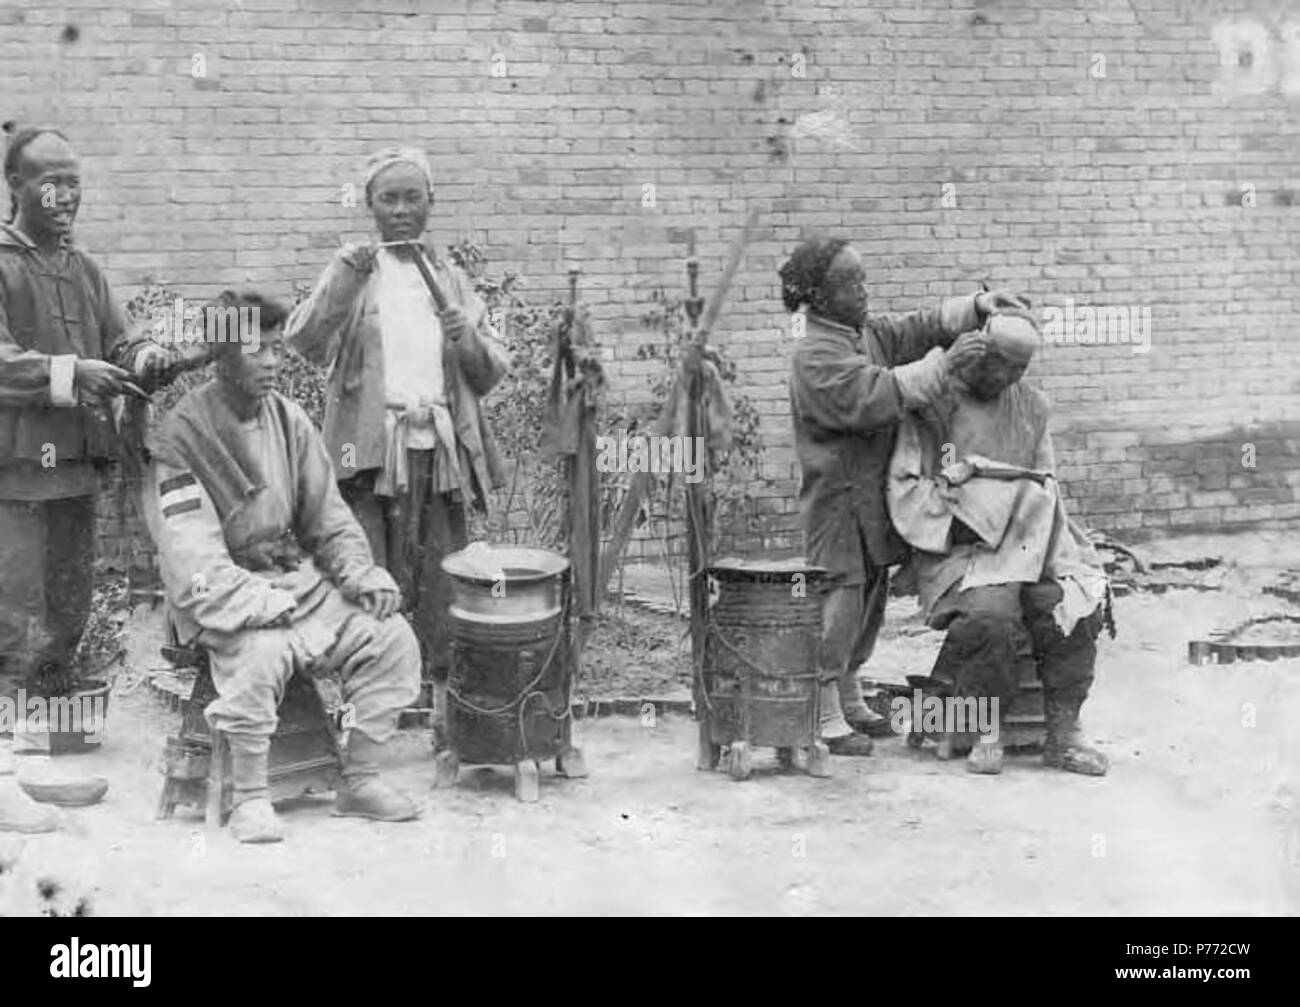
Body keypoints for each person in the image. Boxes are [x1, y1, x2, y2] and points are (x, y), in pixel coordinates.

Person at [143, 292, 423, 843]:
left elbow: (328, 518)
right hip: (217, 594)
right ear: (222, 356)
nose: (272, 361)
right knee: (262, 651)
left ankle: (359, 779)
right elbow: (188, 552)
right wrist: (257, 601)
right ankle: (249, 796)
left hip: (291, 582)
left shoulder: (288, 420)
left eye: (276, 348)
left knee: (390, 637)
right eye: (256, 349)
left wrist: (359, 573)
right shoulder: (182, 437)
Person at [285, 147, 509, 744]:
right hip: (368, 458)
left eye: (414, 198)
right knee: (368, 580)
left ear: (431, 204)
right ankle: (364, 724)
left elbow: (488, 375)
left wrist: (466, 340)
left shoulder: (453, 280)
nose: (402, 210)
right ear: (370, 206)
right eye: (390, 198)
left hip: (439, 456)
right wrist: (341, 274)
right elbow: (304, 340)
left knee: (443, 580)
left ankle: (445, 718)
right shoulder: (358, 273)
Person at [782, 236, 1027, 757]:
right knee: (839, 602)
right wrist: (948, 364)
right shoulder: (814, 354)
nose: (864, 291)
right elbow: (877, 396)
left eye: (863, 279)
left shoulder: (859, 333)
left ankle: (849, 696)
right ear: (819, 296)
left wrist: (975, 306)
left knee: (869, 599)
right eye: (851, 283)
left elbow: (911, 329)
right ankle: (824, 712)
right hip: (837, 502)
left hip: (869, 500)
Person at [0, 127, 166, 834]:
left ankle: (45, 764)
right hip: (13, 470)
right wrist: (72, 373)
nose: (64, 195)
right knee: (11, 610)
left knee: (67, 607)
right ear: (15, 186)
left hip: (75, 468)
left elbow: (118, 339)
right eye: (48, 181)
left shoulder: (85, 267)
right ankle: (8, 779)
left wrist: (147, 353)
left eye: (72, 181)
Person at [888, 313, 1110, 775]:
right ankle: (982, 728)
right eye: (999, 366)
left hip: (1024, 549)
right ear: (978, 352)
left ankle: (1064, 733)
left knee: (1069, 606)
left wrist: (1029, 516)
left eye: (1019, 369)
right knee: (992, 620)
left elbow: (1045, 484)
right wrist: (971, 516)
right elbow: (906, 487)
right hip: (958, 552)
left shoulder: (1031, 407)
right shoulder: (933, 404)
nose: (1007, 378)